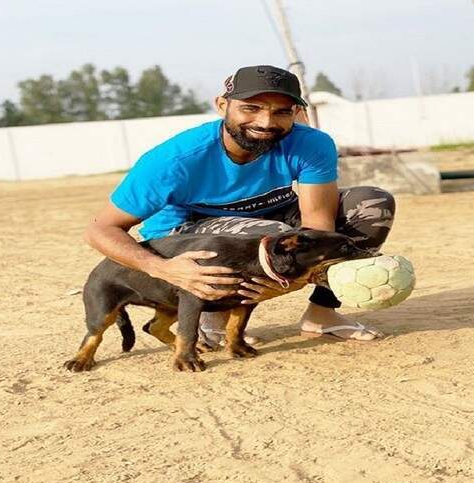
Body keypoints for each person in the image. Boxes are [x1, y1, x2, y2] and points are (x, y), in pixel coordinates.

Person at [84, 65, 395, 343]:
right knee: (269, 238)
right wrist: (162, 268)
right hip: (191, 233)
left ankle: (322, 314)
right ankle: (210, 310)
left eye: (282, 111)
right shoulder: (173, 161)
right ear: (222, 105)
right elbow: (101, 229)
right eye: (251, 108)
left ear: (296, 113)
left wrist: (292, 279)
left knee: (370, 205)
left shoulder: (310, 144)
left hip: (268, 218)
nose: (265, 121)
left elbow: (318, 226)